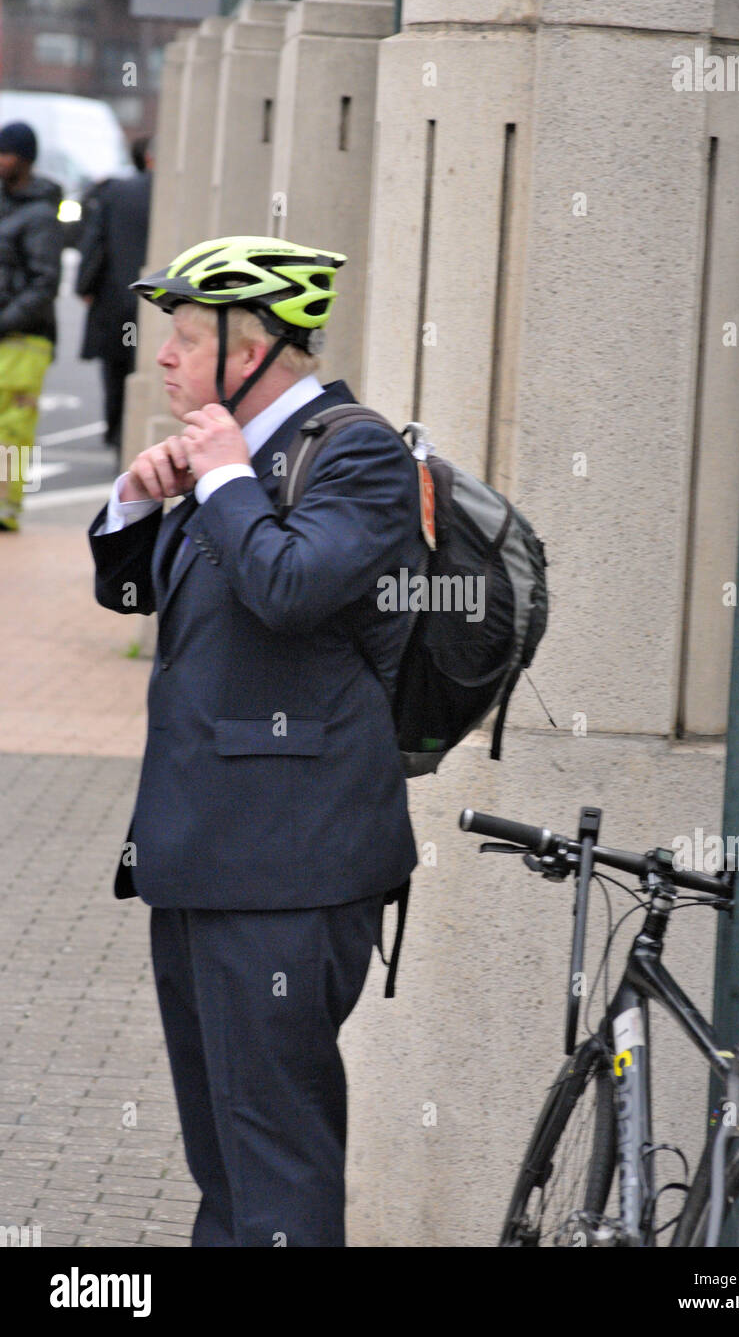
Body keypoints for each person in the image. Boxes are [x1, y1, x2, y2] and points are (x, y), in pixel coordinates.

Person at [87, 236, 425, 1246]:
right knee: (223, 1155)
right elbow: (143, 596)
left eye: (188, 337)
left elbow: (288, 587)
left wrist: (226, 481)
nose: (166, 356)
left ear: (258, 345)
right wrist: (139, 502)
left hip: (286, 868)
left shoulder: (352, 449)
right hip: (205, 858)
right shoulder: (226, 453)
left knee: (273, 1151)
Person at [0, 121, 63, 531]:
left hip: (25, 340)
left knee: (14, 430)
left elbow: (46, 282)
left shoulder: (40, 215)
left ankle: (7, 509)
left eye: (6, 153)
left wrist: (4, 321)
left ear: (23, 159)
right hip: (10, 334)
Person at [76, 136, 153, 452]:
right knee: (143, 367)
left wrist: (84, 286)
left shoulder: (115, 192)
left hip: (114, 298)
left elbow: (94, 244)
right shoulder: (175, 191)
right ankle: (128, 436)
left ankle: (116, 431)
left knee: (115, 369)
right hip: (154, 300)